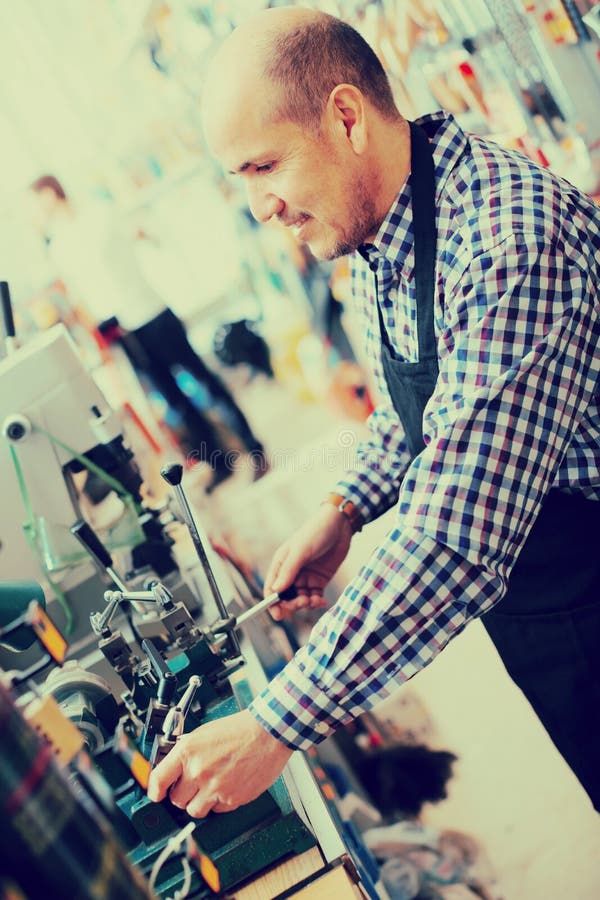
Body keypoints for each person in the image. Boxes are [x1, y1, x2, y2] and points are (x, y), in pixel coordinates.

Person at [147, 7, 600, 819]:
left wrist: (276, 722)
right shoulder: (385, 228)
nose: (259, 205)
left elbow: (456, 532)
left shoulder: (509, 242)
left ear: (347, 119)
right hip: (545, 616)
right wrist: (345, 507)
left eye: (264, 166)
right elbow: (415, 409)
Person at [29, 175, 268, 490]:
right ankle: (218, 462)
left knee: (204, 382)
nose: (35, 212)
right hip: (122, 332)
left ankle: (254, 449)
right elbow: (78, 295)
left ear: (49, 194)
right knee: (174, 402)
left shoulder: (100, 215)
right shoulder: (59, 247)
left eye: (35, 203)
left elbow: (145, 234)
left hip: (153, 314)